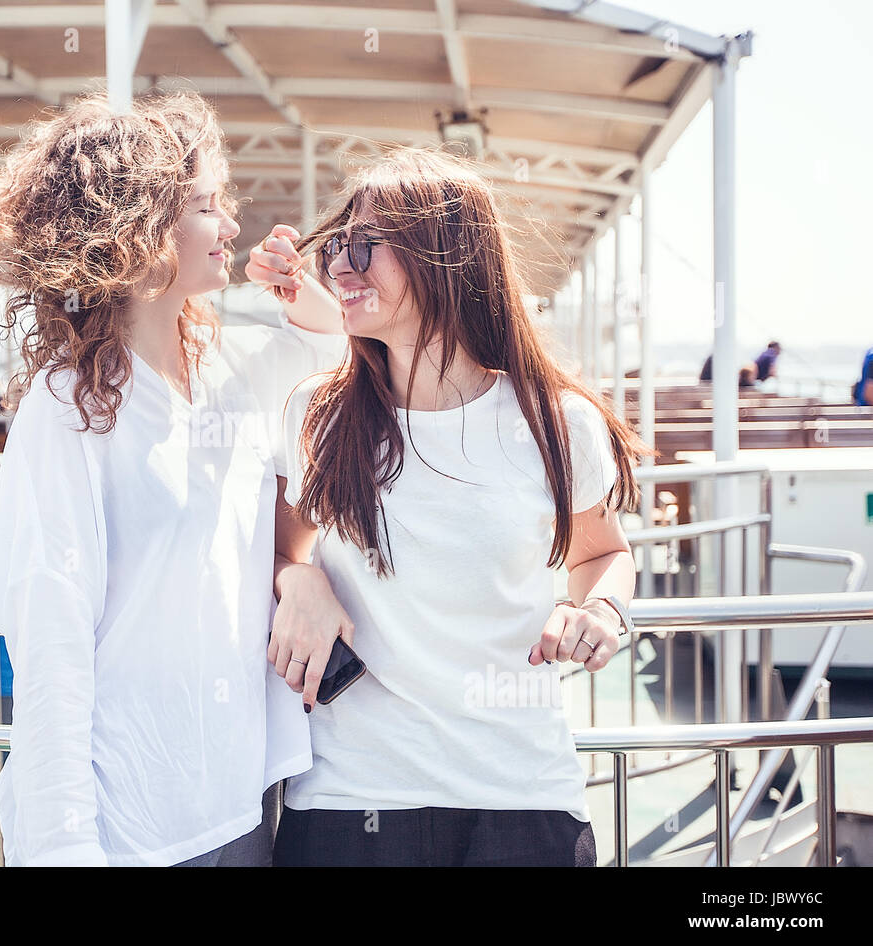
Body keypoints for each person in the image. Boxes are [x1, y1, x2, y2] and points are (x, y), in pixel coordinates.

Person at [0, 89, 346, 866]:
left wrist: (300, 291)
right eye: (207, 205)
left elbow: (331, 359)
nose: (231, 224)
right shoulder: (68, 409)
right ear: (139, 227)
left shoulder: (230, 368)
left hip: (237, 805)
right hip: (125, 828)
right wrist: (66, 849)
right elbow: (51, 644)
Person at [267, 146, 654, 866]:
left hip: (520, 798)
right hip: (353, 801)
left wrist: (601, 611)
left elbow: (602, 554)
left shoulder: (557, 423)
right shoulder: (315, 416)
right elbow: (284, 547)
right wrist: (301, 581)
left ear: (446, 255)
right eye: (334, 249)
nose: (339, 268)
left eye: (363, 246)